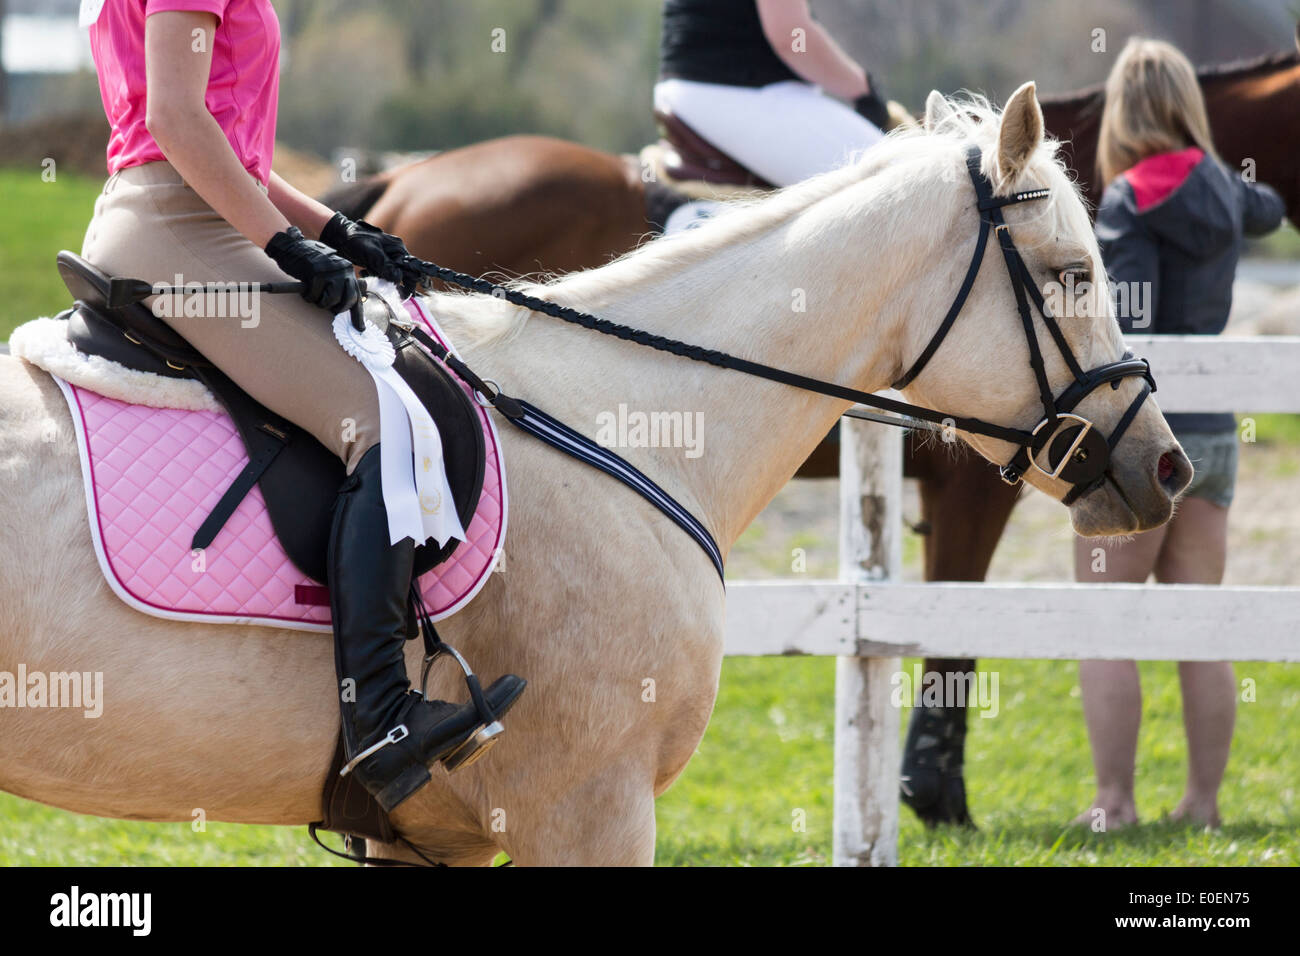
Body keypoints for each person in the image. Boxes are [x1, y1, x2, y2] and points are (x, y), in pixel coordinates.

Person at [80, 1, 524, 814]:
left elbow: (230, 142)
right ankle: (381, 719)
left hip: (194, 214)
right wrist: (282, 245)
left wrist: (337, 228)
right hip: (181, 226)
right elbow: (176, 120)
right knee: (384, 422)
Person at [1075, 37, 1284, 829]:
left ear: (1124, 113)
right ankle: (1203, 805)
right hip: (1217, 440)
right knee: (1200, 625)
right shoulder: (1229, 193)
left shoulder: (1128, 199)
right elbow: (1268, 208)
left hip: (1143, 444)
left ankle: (1115, 803)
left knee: (1106, 622)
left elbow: (1132, 328)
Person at [654, 0, 890, 186]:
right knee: (889, 177)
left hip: (689, 90)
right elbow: (791, 36)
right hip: (741, 93)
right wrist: (862, 90)